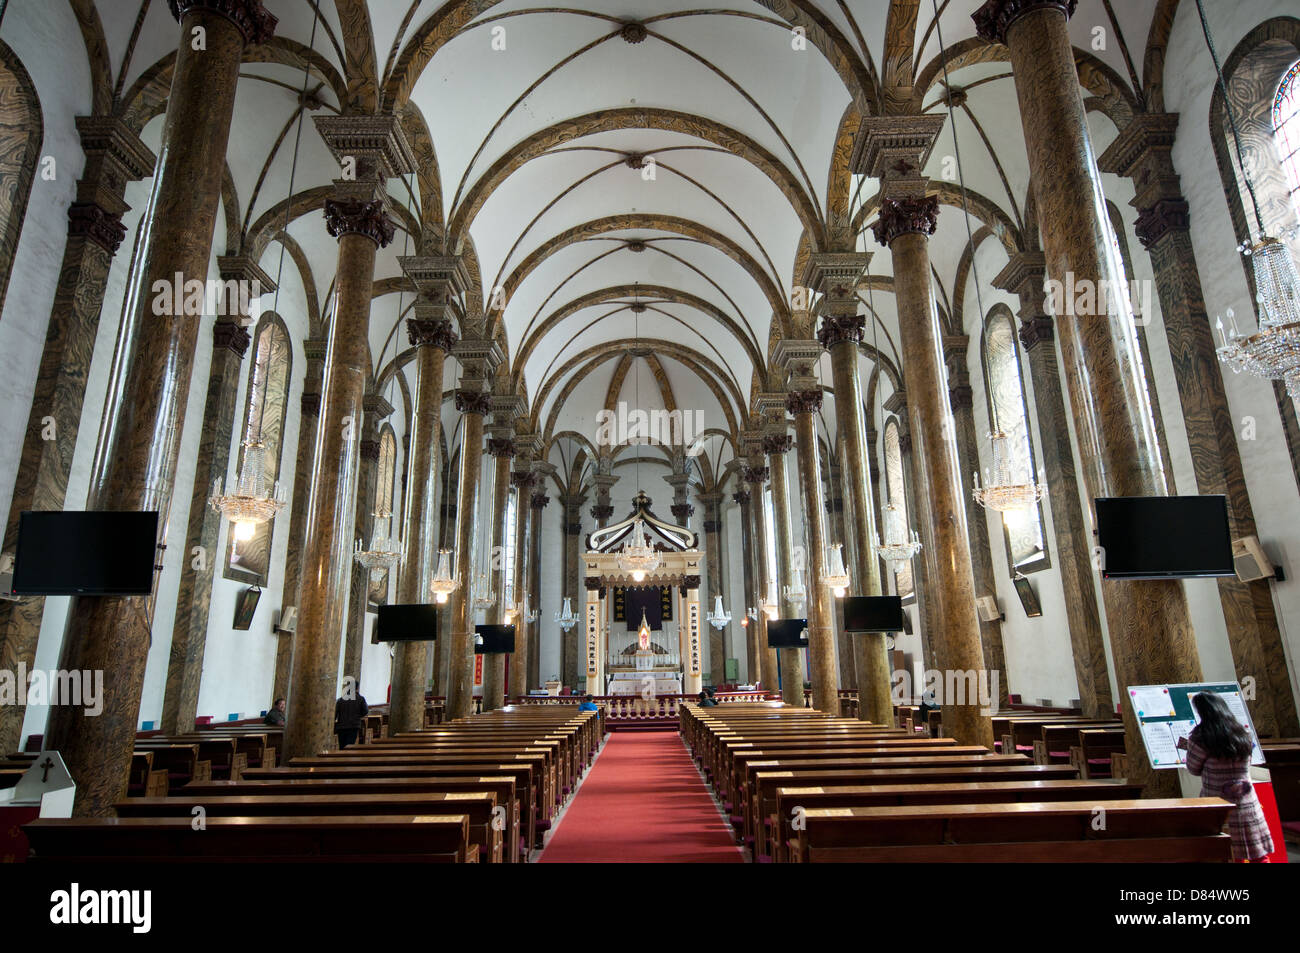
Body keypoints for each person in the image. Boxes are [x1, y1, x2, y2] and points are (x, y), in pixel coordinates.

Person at [1177, 692, 1273, 863]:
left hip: (1216, 801)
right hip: (1246, 799)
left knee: (1222, 850)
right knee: (1256, 852)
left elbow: (1193, 769)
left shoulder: (1200, 738)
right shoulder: (1243, 734)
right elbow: (1247, 761)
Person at [334, 676, 368, 749]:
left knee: (342, 746)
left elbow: (335, 714)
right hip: (353, 726)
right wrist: (358, 715)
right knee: (350, 746)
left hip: (341, 726)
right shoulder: (360, 699)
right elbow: (365, 711)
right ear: (357, 688)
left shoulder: (340, 700)